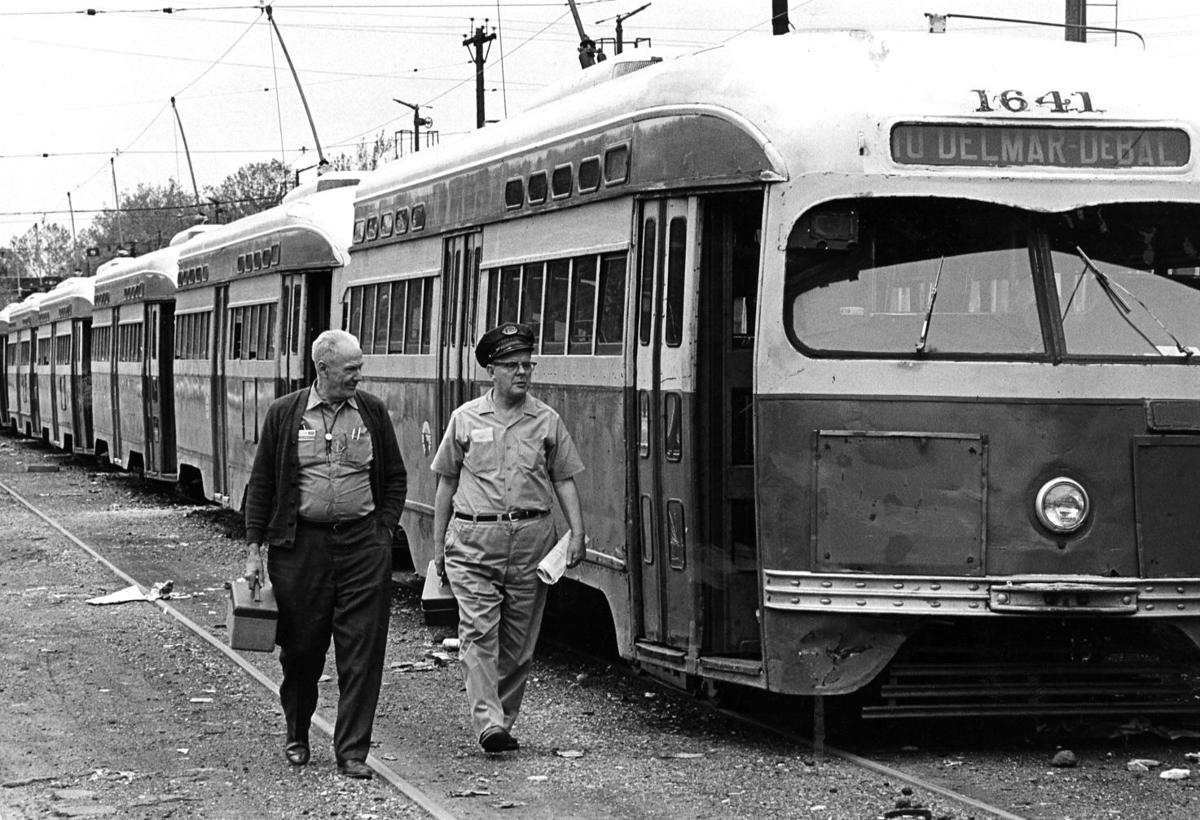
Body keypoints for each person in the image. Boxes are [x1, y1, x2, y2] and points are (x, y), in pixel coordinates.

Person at [242, 329, 406, 779]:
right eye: (350, 368)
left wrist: (382, 531)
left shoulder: (371, 412)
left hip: (362, 548)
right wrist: (254, 550)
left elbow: (394, 477)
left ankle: (352, 750)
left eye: (359, 367)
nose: (359, 375)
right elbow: (261, 487)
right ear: (323, 369)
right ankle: (297, 730)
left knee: (363, 652)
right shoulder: (284, 414)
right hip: (301, 550)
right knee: (301, 651)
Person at [431, 322, 586, 753]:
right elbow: (445, 482)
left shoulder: (546, 420)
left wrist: (577, 532)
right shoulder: (465, 419)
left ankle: (502, 719)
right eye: (513, 365)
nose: (523, 372)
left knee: (519, 644)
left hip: (532, 541)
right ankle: (488, 723)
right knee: (479, 633)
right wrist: (438, 546)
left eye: (527, 365)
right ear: (491, 370)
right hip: (474, 538)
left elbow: (565, 480)